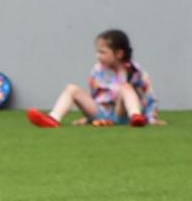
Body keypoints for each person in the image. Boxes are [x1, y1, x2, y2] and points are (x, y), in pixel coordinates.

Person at [27, 28, 161, 127]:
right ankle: (53, 118)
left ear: (119, 53)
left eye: (102, 52)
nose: (98, 56)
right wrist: (89, 118)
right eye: (97, 52)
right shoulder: (97, 70)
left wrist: (151, 118)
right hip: (101, 112)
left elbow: (148, 96)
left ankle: (136, 117)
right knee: (72, 89)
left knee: (126, 87)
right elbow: (95, 96)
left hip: (121, 113)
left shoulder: (135, 71)